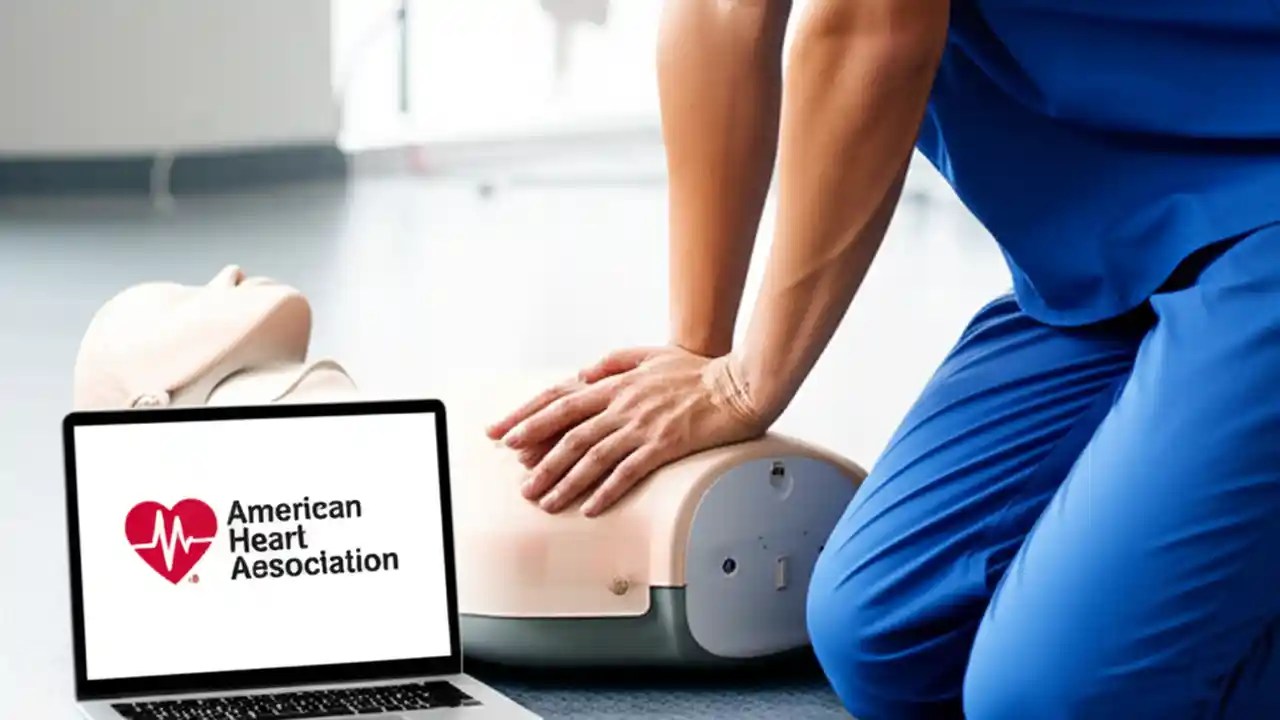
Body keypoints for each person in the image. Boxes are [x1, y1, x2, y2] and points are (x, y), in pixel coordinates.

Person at [487, 0, 1280, 717]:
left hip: (1258, 205)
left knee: (1053, 701)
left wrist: (744, 383)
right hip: (1099, 261)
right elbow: (721, 9)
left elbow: (875, 24)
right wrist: (697, 349)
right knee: (890, 639)